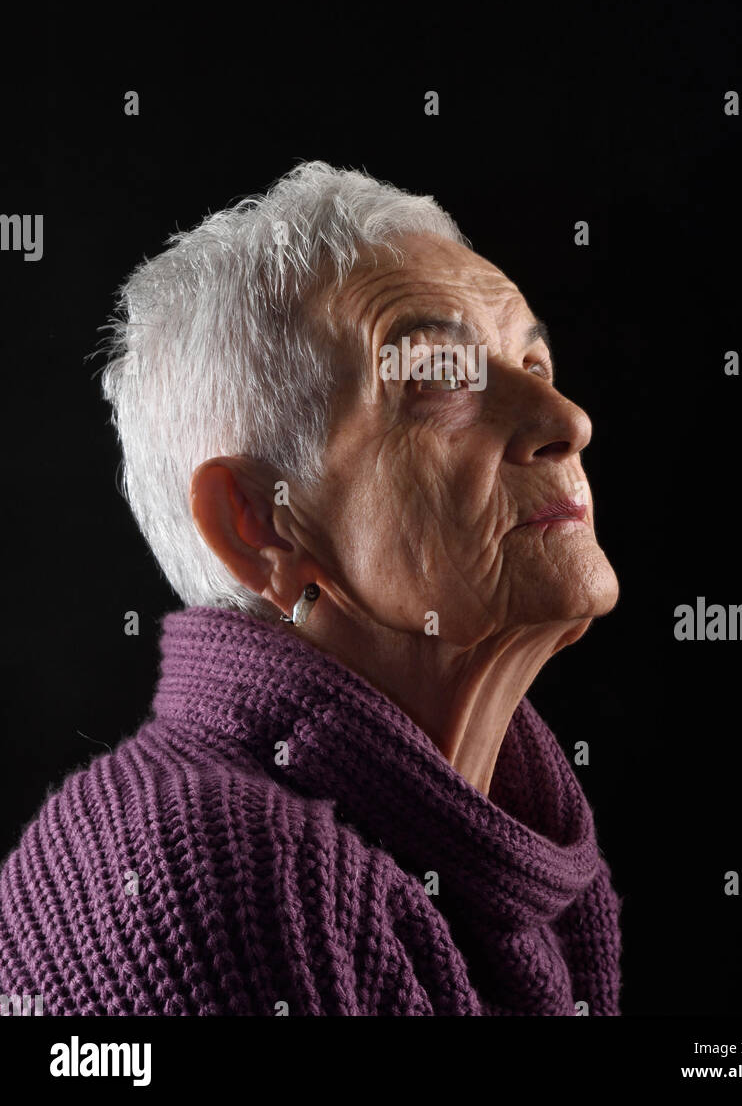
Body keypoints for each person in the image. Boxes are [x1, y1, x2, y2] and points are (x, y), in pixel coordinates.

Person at [0, 160, 623, 1015]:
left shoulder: (530, 868)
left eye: (535, 365)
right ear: (261, 523)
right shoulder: (213, 871)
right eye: (438, 376)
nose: (568, 422)